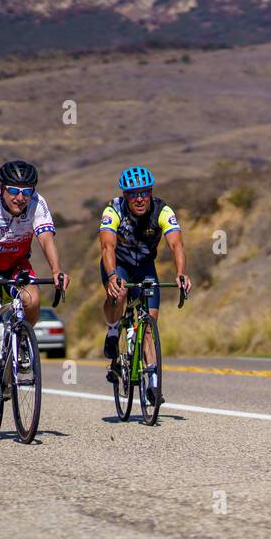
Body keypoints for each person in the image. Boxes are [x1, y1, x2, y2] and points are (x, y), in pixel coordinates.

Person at [0, 159, 69, 415]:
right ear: (2, 189)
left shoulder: (37, 204)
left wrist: (56, 271)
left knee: (32, 300)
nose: (20, 197)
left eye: (26, 191)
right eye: (14, 190)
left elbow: (45, 239)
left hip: (16, 263)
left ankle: (21, 341)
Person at [97, 166, 190, 404]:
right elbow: (107, 246)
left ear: (150, 193)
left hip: (146, 266)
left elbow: (176, 245)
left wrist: (181, 273)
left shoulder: (162, 210)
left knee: (150, 322)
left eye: (144, 193)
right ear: (125, 195)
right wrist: (111, 276)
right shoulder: (113, 209)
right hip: (118, 264)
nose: (139, 199)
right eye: (133, 194)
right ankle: (113, 329)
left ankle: (154, 386)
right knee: (119, 294)